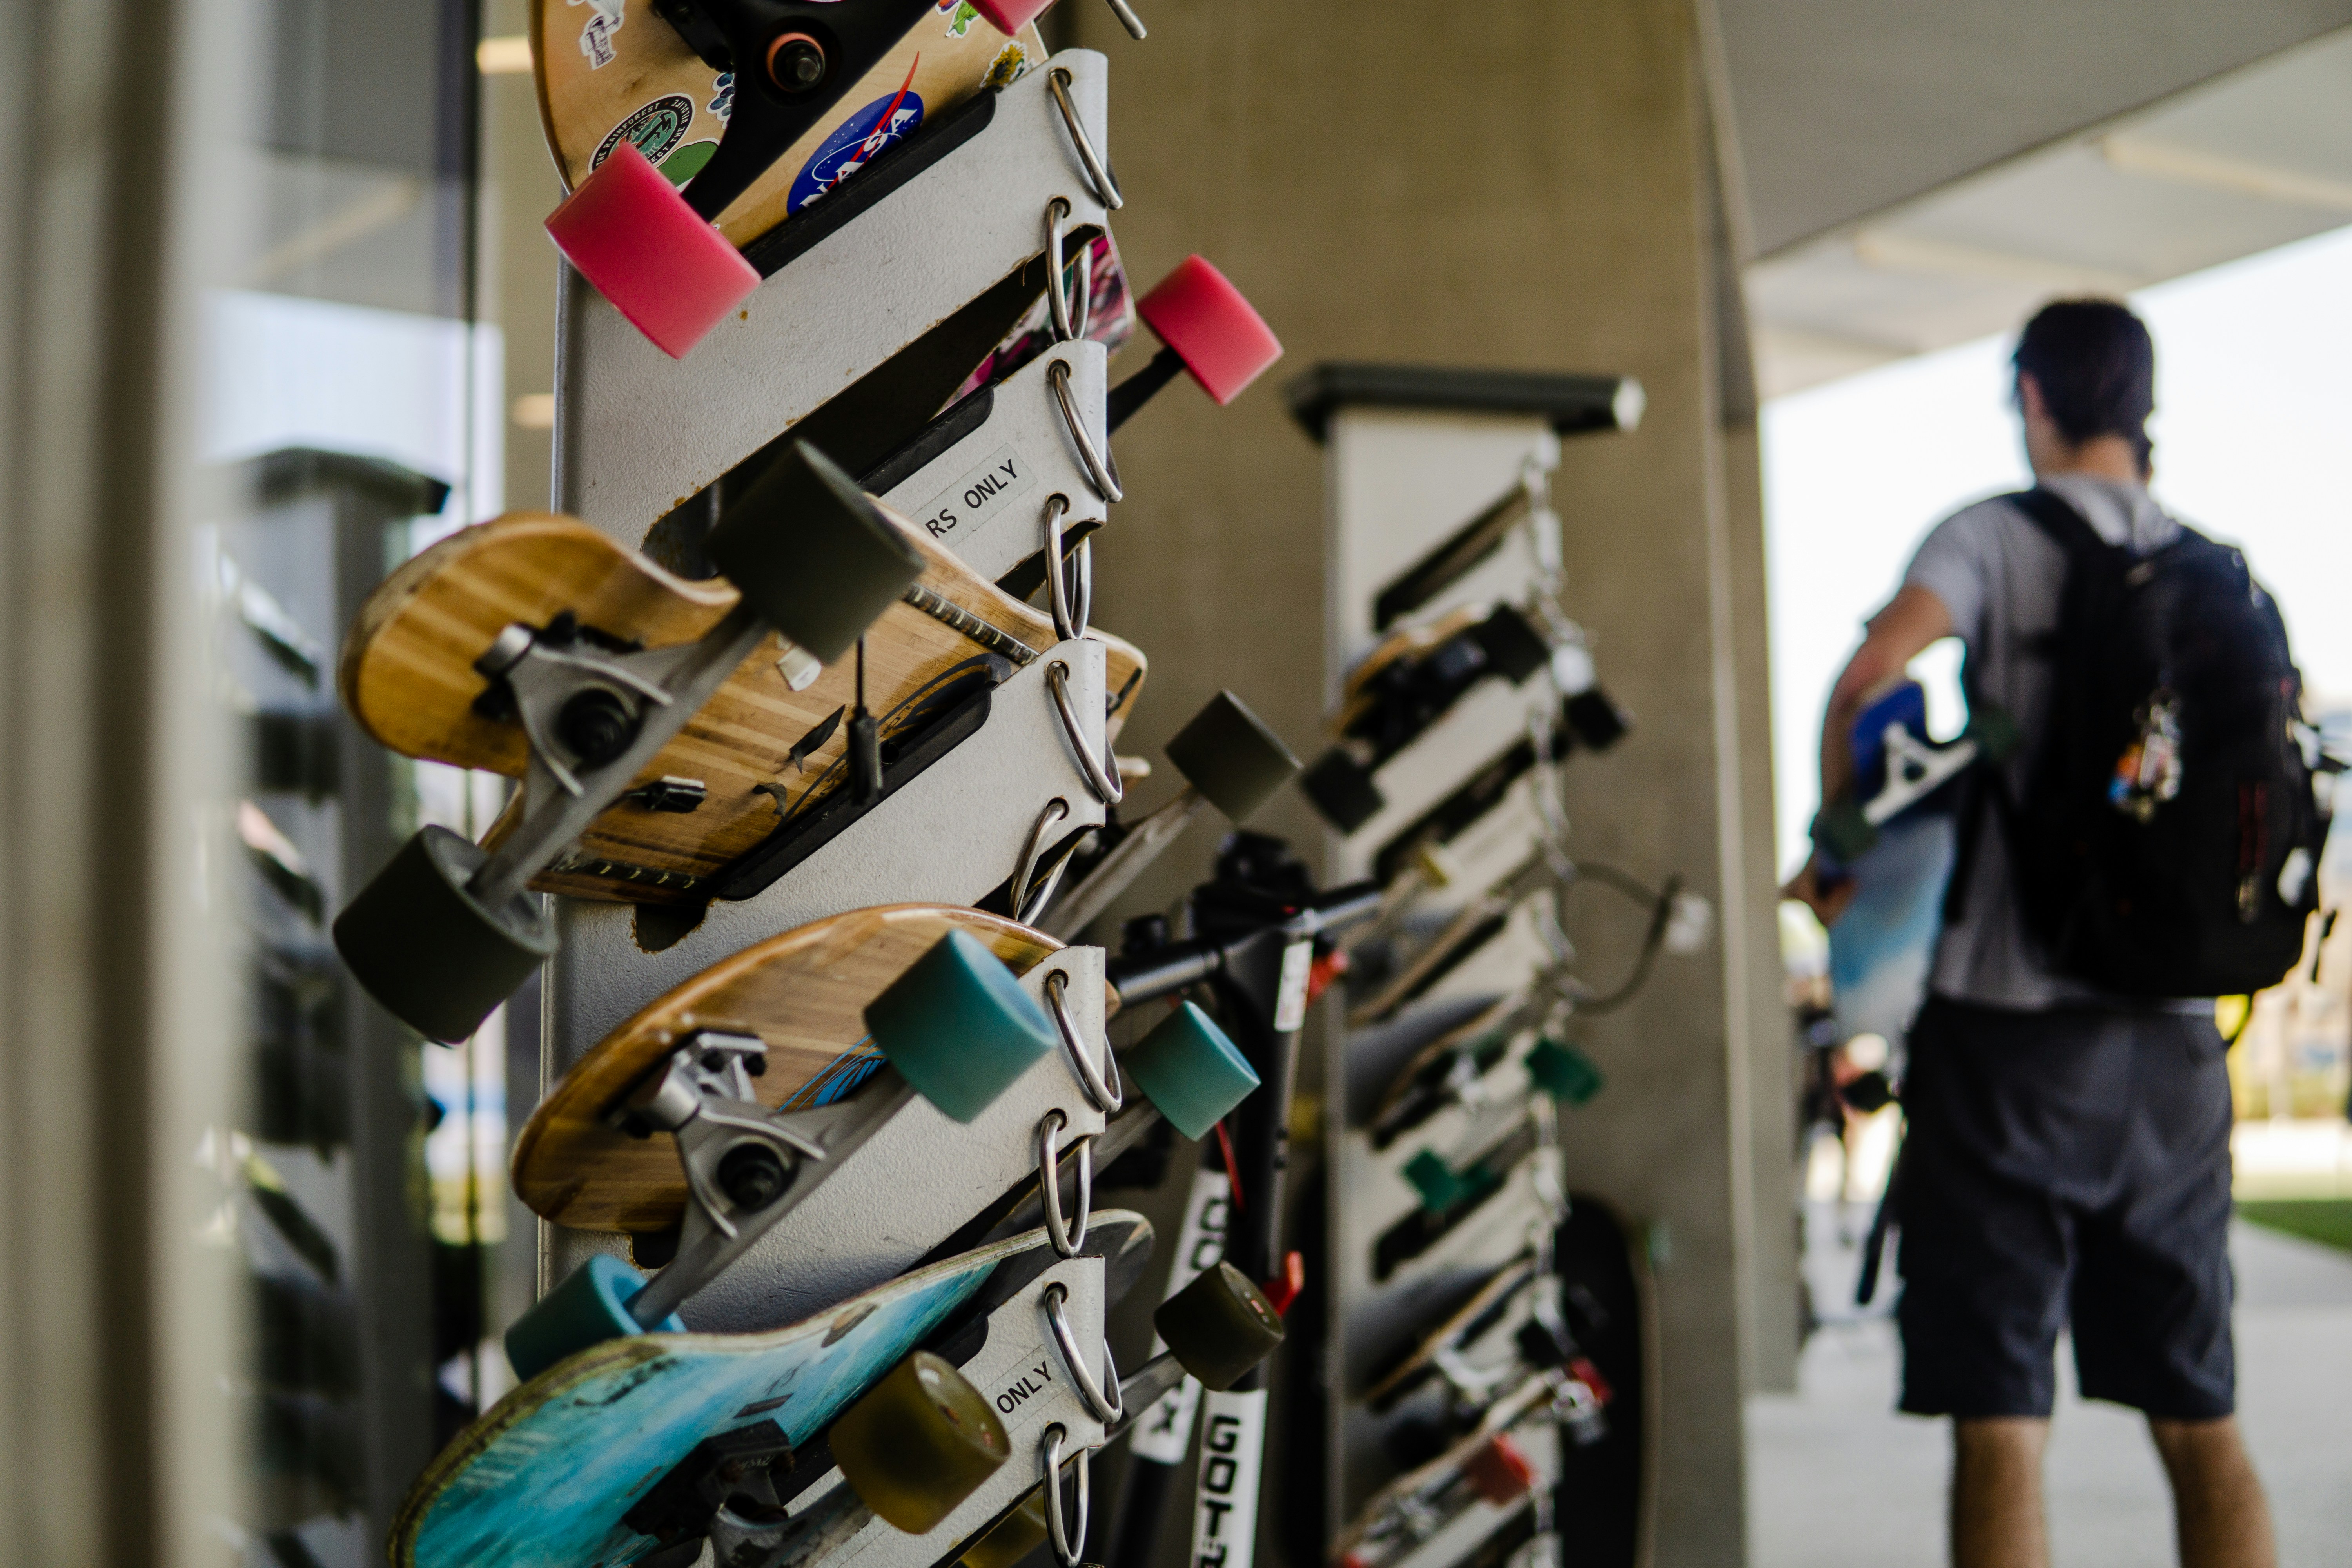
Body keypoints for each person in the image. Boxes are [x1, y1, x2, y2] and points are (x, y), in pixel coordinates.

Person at [1785, 299, 2277, 1568]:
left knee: (2002, 1420)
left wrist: (1840, 853)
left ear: (2033, 397)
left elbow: (1870, 678)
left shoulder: (1992, 537)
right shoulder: (2211, 566)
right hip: (2175, 1049)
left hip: (2009, 1039)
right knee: (2200, 1417)